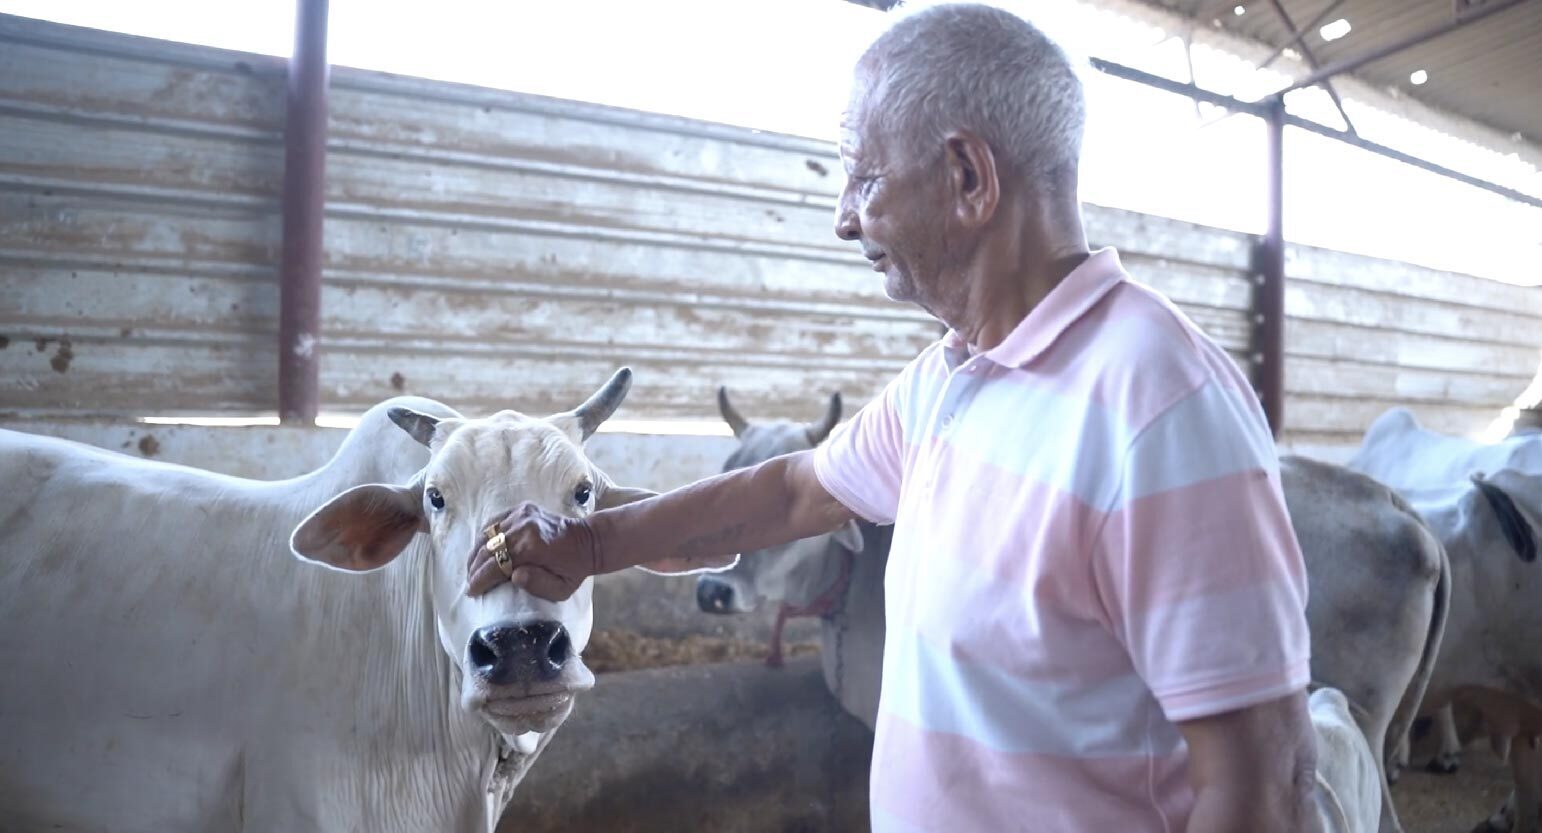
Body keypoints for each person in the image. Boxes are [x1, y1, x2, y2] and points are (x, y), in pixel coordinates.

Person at [468, 4, 1320, 831]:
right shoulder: (946, 379)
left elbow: (1262, 786)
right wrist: (592, 544)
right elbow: (797, 490)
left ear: (968, 179)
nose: (845, 218)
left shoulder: (1162, 407)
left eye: (865, 176)